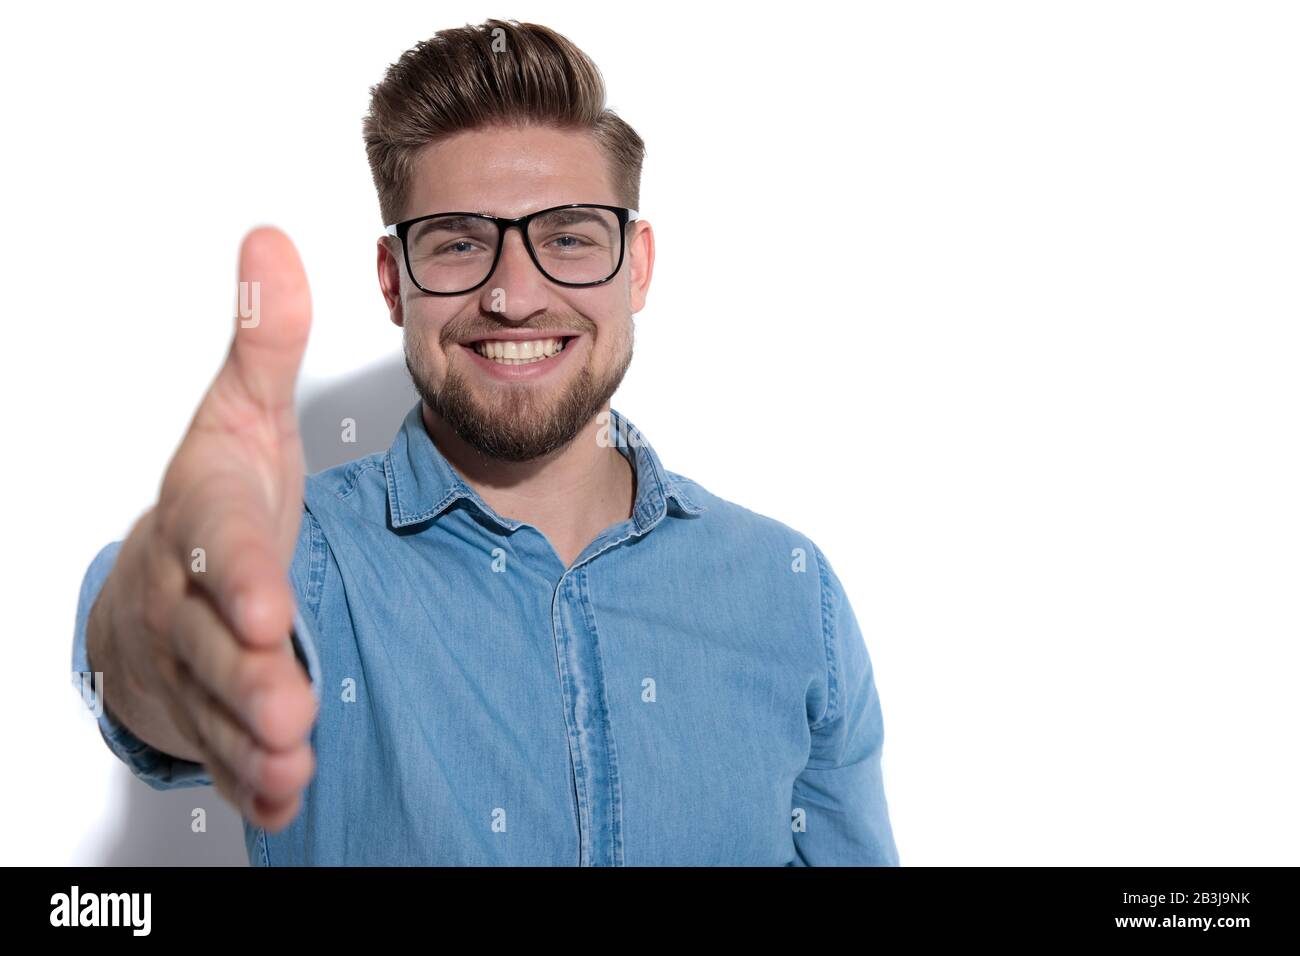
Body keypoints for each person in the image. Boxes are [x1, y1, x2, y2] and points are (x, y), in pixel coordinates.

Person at [71, 18, 900, 866]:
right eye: (461, 243)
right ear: (395, 284)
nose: (514, 295)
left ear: (637, 265)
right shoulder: (299, 559)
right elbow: (146, 653)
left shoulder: (790, 594)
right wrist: (163, 617)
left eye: (569, 237)